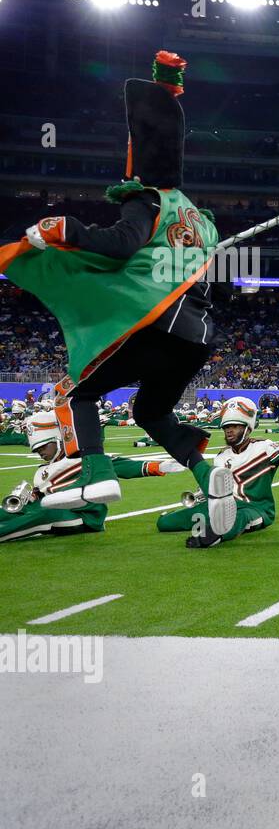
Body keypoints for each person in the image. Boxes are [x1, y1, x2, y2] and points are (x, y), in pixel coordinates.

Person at [1, 51, 220, 510]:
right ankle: (209, 475)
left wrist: (67, 230)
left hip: (154, 318)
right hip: (199, 334)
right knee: (151, 412)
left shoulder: (147, 198)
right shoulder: (202, 220)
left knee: (78, 391)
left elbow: (121, 244)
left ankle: (96, 476)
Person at [158, 396, 279, 548]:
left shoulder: (264, 447)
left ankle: (216, 535)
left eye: (235, 426)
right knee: (166, 523)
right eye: (227, 426)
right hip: (220, 505)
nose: (229, 430)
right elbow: (214, 486)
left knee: (239, 519)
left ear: (248, 427)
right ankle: (210, 526)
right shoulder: (220, 456)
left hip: (255, 508)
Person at [1, 412, 186, 544]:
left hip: (83, 517)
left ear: (59, 440)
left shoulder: (84, 458)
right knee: (15, 509)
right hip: (56, 510)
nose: (40, 452)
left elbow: (118, 465)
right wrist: (32, 497)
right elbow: (45, 494)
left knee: (45, 513)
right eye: (37, 450)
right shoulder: (42, 471)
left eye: (43, 447)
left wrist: (158, 466)